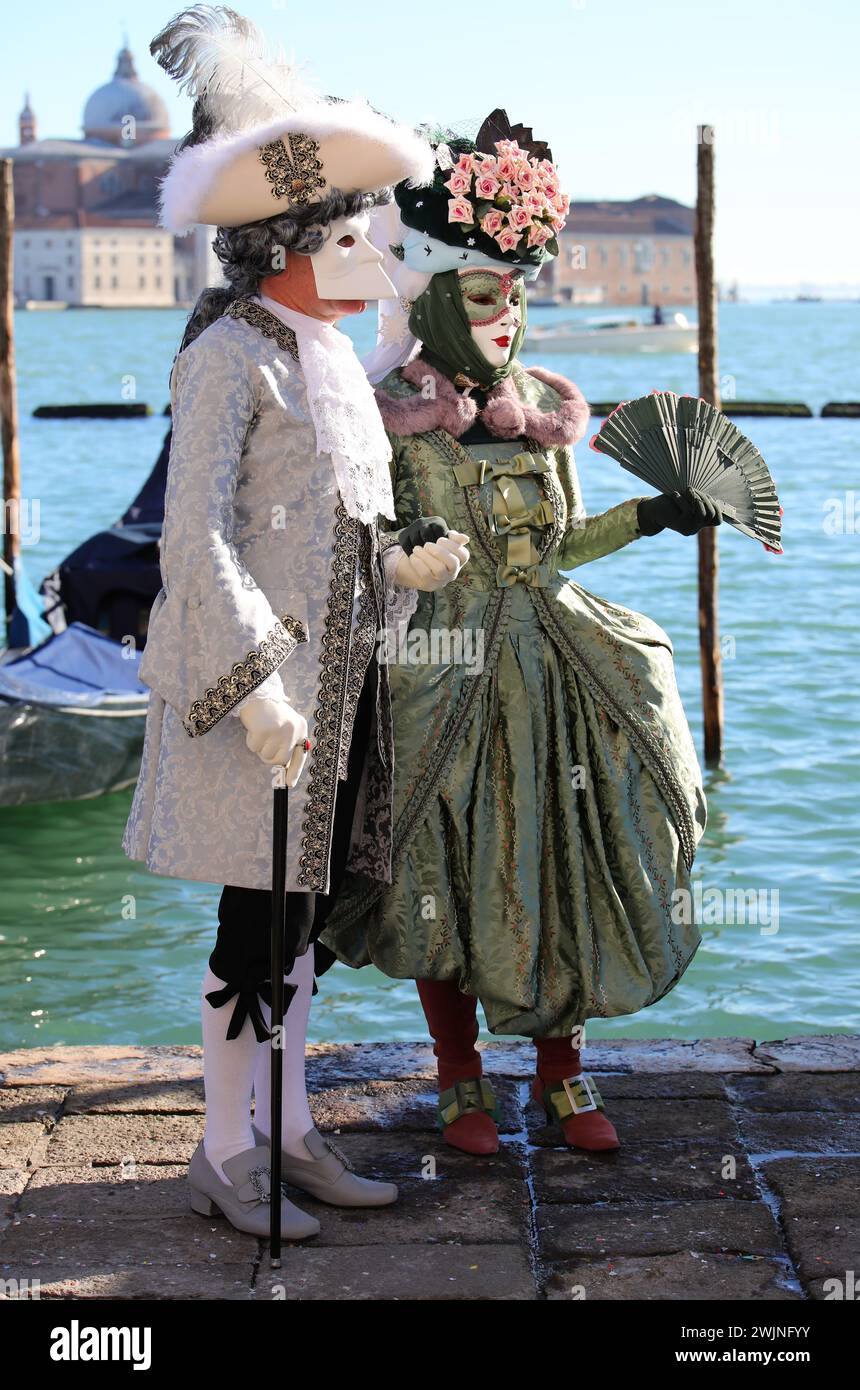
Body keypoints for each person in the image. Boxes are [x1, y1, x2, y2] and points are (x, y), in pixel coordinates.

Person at [321, 111, 722, 1157]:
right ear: (438, 298)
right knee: (440, 868)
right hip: (436, 671)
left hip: (552, 661)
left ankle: (561, 1075)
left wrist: (652, 514)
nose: (507, 314)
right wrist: (403, 553)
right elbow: (351, 551)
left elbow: (562, 548)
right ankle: (458, 1080)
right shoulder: (384, 409)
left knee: (563, 858)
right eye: (487, 293)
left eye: (521, 294)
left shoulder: (542, 406)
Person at [121, 6, 458, 1237]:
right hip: (257, 691)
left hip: (343, 683)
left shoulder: (320, 353)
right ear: (293, 243)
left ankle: (288, 1129)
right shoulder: (230, 353)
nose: (369, 249)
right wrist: (259, 687)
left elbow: (340, 519)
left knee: (302, 915)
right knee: (253, 919)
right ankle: (224, 1151)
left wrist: (408, 569)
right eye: (352, 233)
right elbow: (195, 533)